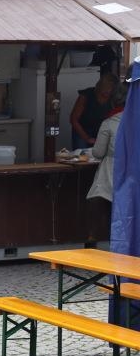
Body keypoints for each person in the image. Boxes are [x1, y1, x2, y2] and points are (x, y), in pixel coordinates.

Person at [86, 83, 127, 245]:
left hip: (111, 169)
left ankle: (92, 237)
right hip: (132, 169)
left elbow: (98, 152)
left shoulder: (109, 123)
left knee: (97, 198)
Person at [71, 74, 116, 149]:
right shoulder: (86, 96)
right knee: (81, 156)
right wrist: (86, 138)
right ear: (100, 87)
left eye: (111, 89)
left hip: (101, 132)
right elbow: (73, 120)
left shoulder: (113, 99)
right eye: (106, 89)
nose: (108, 91)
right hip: (82, 130)